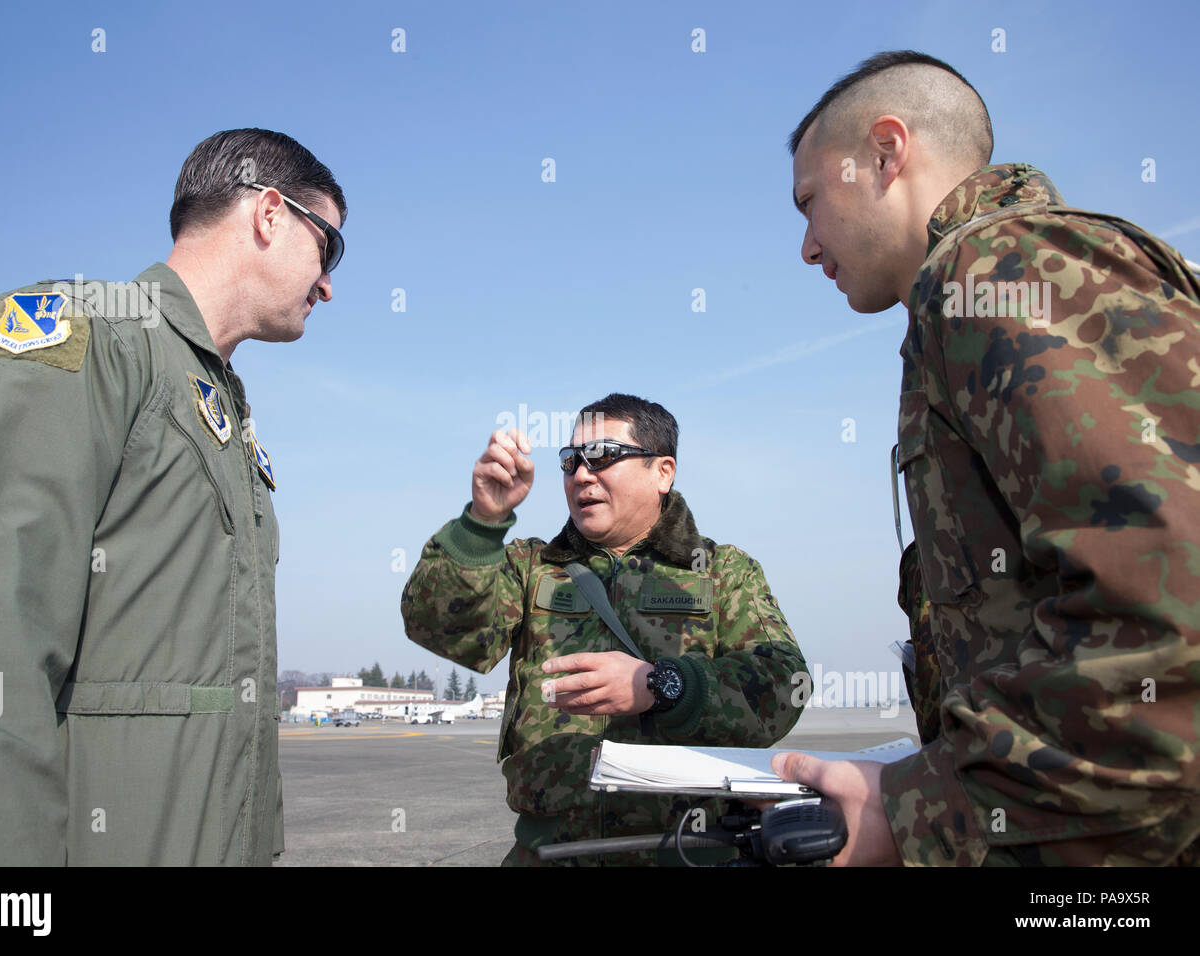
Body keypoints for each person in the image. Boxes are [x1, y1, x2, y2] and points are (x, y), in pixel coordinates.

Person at [778, 50, 1200, 865]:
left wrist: (916, 813)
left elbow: (1172, 608)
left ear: (886, 153)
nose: (806, 245)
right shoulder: (990, 283)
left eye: (810, 202)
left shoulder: (995, 267)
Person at [0, 128, 347, 865]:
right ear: (270, 214)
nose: (328, 283)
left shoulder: (213, 406)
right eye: (327, 248)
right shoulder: (82, 338)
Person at [400, 393, 807, 865]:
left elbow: (784, 684)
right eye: (570, 461)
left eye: (603, 457)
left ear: (663, 472)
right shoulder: (532, 568)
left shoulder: (720, 572)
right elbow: (441, 629)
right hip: (550, 852)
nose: (581, 474)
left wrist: (662, 685)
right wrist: (483, 523)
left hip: (686, 850)